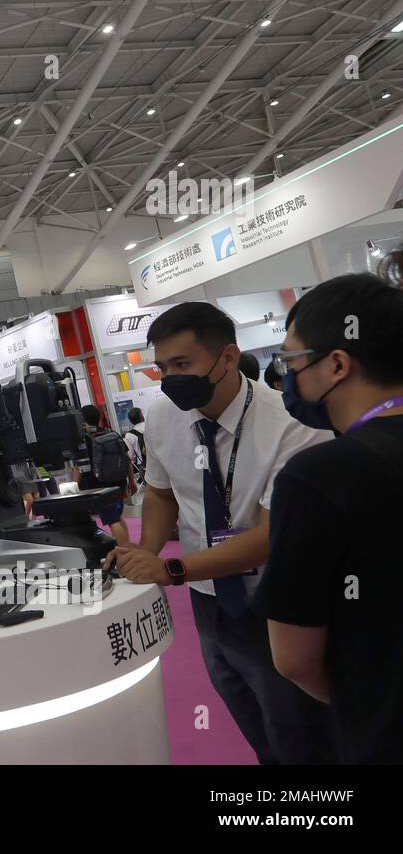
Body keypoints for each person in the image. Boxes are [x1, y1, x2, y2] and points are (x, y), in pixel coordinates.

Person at [109, 301, 334, 764]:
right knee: (253, 725)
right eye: (162, 367)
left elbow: (277, 535)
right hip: (209, 602)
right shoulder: (164, 417)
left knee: (301, 736)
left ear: (228, 358)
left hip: (278, 600)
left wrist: (170, 567)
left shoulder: (292, 424)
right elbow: (160, 492)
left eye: (183, 364)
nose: (170, 378)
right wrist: (143, 553)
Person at [254, 271, 403, 763]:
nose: (287, 376)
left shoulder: (318, 476)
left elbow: (295, 660)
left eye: (292, 361)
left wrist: (366, 698)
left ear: (336, 364)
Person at [76, 404, 134, 546]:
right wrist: (131, 481)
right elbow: (126, 458)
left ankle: (125, 551)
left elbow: (79, 468)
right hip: (119, 482)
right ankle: (129, 546)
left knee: (112, 521)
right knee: (117, 517)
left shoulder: (83, 440)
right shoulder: (111, 433)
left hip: (98, 487)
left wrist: (75, 486)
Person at [123, 407, 147, 484]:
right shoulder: (151, 426)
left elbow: (131, 456)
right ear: (142, 416)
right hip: (161, 463)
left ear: (131, 421)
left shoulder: (129, 435)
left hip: (145, 468)